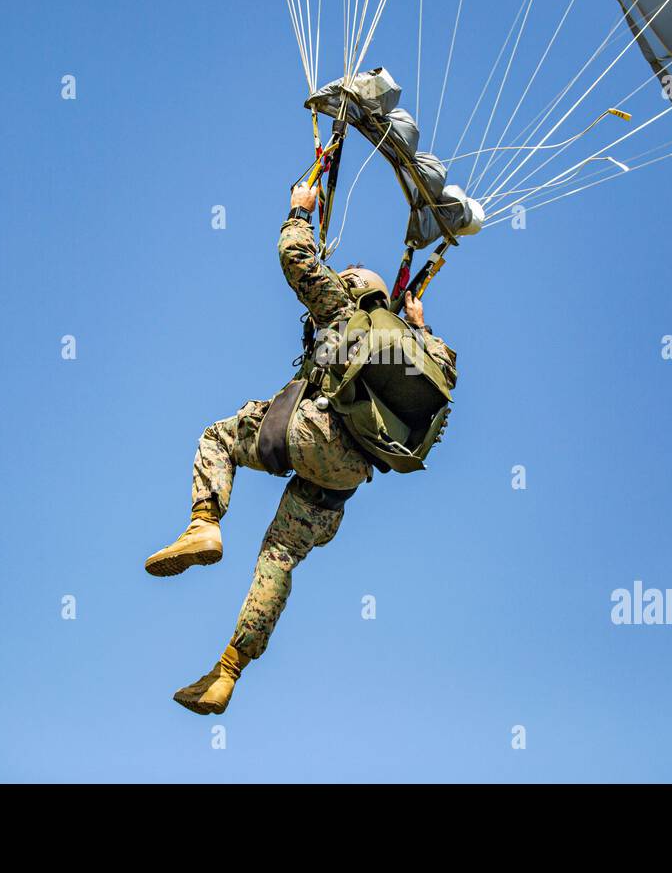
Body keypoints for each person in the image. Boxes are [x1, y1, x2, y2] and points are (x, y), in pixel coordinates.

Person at [145, 181, 458, 715]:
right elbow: (445, 375)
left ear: (354, 286)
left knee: (219, 435)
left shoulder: (342, 310)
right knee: (280, 557)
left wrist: (299, 208)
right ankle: (228, 670)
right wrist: (423, 325)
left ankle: (204, 522)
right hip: (349, 474)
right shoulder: (421, 348)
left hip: (310, 431)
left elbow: (295, 255)